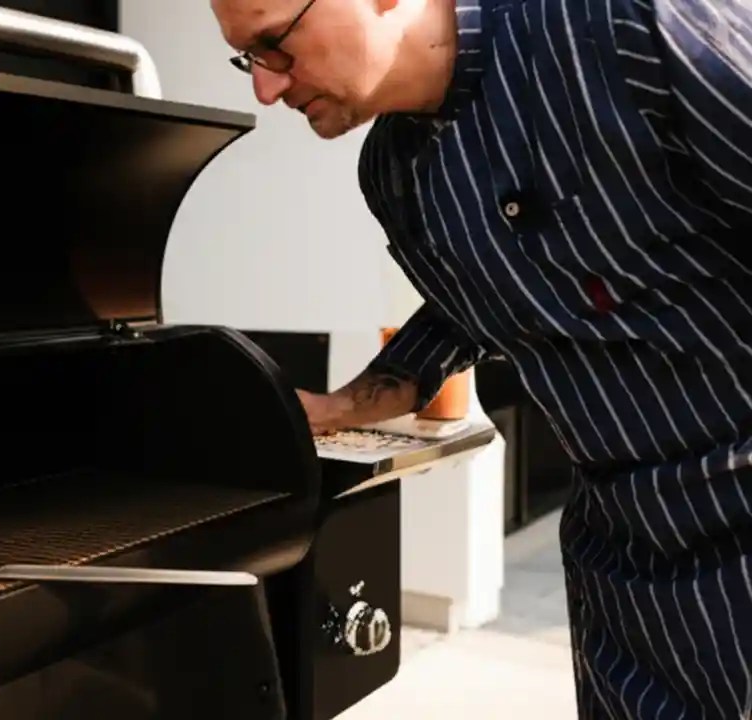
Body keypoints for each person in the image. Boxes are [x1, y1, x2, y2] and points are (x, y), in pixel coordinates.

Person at [208, 0, 752, 716]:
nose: (266, 88)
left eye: (277, 43)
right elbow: (468, 307)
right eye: (250, 57)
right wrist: (335, 409)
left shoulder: (622, 25)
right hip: (626, 563)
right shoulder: (395, 177)